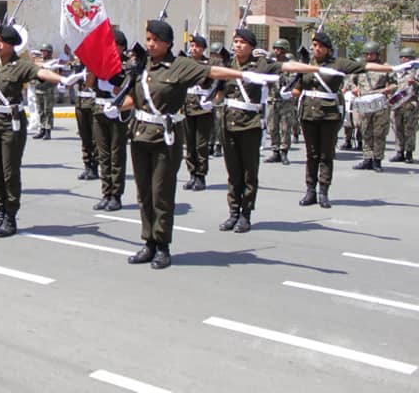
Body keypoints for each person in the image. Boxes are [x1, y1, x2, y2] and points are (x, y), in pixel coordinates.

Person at [104, 20, 298, 269]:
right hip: (140, 135)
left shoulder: (180, 66)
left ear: (167, 42)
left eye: (155, 40)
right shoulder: (141, 65)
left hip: (165, 137)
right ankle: (148, 242)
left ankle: (162, 246)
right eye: (148, 39)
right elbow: (136, 97)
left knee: (161, 193)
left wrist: (243, 74)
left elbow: (212, 72)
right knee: (144, 194)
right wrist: (117, 106)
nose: (150, 44)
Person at [0, 25, 70, 237]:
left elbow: (41, 72)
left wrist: (63, 79)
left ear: (11, 45)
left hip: (10, 124)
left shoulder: (20, 65)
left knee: (10, 172)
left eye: (1, 40)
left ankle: (10, 218)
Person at [215, 29, 325, 233]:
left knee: (249, 173)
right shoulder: (227, 65)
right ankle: (233, 213)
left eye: (242, 42)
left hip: (249, 124)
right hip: (228, 123)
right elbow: (220, 91)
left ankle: (245, 214)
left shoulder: (262, 65)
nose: (238, 45)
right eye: (235, 41)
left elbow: (286, 66)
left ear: (251, 45)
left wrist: (316, 69)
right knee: (233, 173)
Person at [295, 32, 405, 208]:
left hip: (328, 114)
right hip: (308, 113)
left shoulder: (339, 64)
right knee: (311, 154)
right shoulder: (307, 63)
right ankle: (310, 191)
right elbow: (298, 88)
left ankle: (323, 191)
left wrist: (394, 69)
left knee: (326, 154)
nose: (317, 49)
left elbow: (365, 66)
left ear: (329, 49)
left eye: (320, 46)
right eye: (314, 46)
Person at [90, 30, 131, 211]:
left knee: (116, 154)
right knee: (103, 155)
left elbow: (124, 90)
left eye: (115, 45)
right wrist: (92, 65)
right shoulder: (99, 62)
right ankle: (106, 193)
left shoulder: (127, 66)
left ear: (122, 47)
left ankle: (116, 195)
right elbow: (89, 83)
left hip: (116, 112)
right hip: (99, 110)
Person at [350, 41, 396, 172]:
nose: (369, 56)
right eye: (366, 54)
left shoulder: (385, 67)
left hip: (380, 102)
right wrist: (354, 88)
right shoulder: (360, 67)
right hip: (364, 102)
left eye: (371, 54)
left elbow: (394, 84)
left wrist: (388, 90)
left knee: (379, 133)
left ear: (377, 54)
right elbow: (351, 82)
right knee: (365, 131)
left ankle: (377, 160)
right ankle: (367, 159)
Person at [182, 35, 217, 191]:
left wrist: (212, 101)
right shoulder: (185, 63)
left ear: (203, 48)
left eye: (196, 46)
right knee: (189, 144)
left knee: (201, 144)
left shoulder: (209, 64)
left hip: (202, 108)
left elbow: (216, 86)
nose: (193, 48)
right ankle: (192, 174)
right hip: (187, 107)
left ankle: (201, 175)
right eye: (192, 45)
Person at [265, 39, 297, 165]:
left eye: (279, 49)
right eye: (275, 48)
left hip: (285, 101)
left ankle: (284, 152)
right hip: (272, 99)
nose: (277, 51)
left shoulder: (290, 65)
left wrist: (281, 75)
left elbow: (293, 80)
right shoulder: (271, 64)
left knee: (285, 127)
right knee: (272, 127)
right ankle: (275, 151)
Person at [70, 52, 98, 180]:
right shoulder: (78, 65)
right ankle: (87, 166)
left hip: (92, 104)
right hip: (80, 104)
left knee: (94, 138)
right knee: (84, 137)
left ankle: (94, 167)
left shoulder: (95, 64)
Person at [390, 47, 418, 163]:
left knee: (409, 129)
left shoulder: (416, 71)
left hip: (410, 103)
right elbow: (391, 84)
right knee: (397, 128)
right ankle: (399, 152)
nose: (403, 59)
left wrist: (415, 83)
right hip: (397, 104)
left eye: (406, 57)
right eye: (401, 57)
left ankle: (409, 153)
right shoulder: (397, 71)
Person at [32, 43, 57, 139]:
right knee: (40, 111)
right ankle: (42, 129)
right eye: (41, 51)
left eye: (44, 51)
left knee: (48, 111)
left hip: (48, 90)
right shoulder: (39, 62)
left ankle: (48, 130)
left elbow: (54, 76)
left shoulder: (53, 63)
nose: (42, 53)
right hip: (38, 89)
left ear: (49, 52)